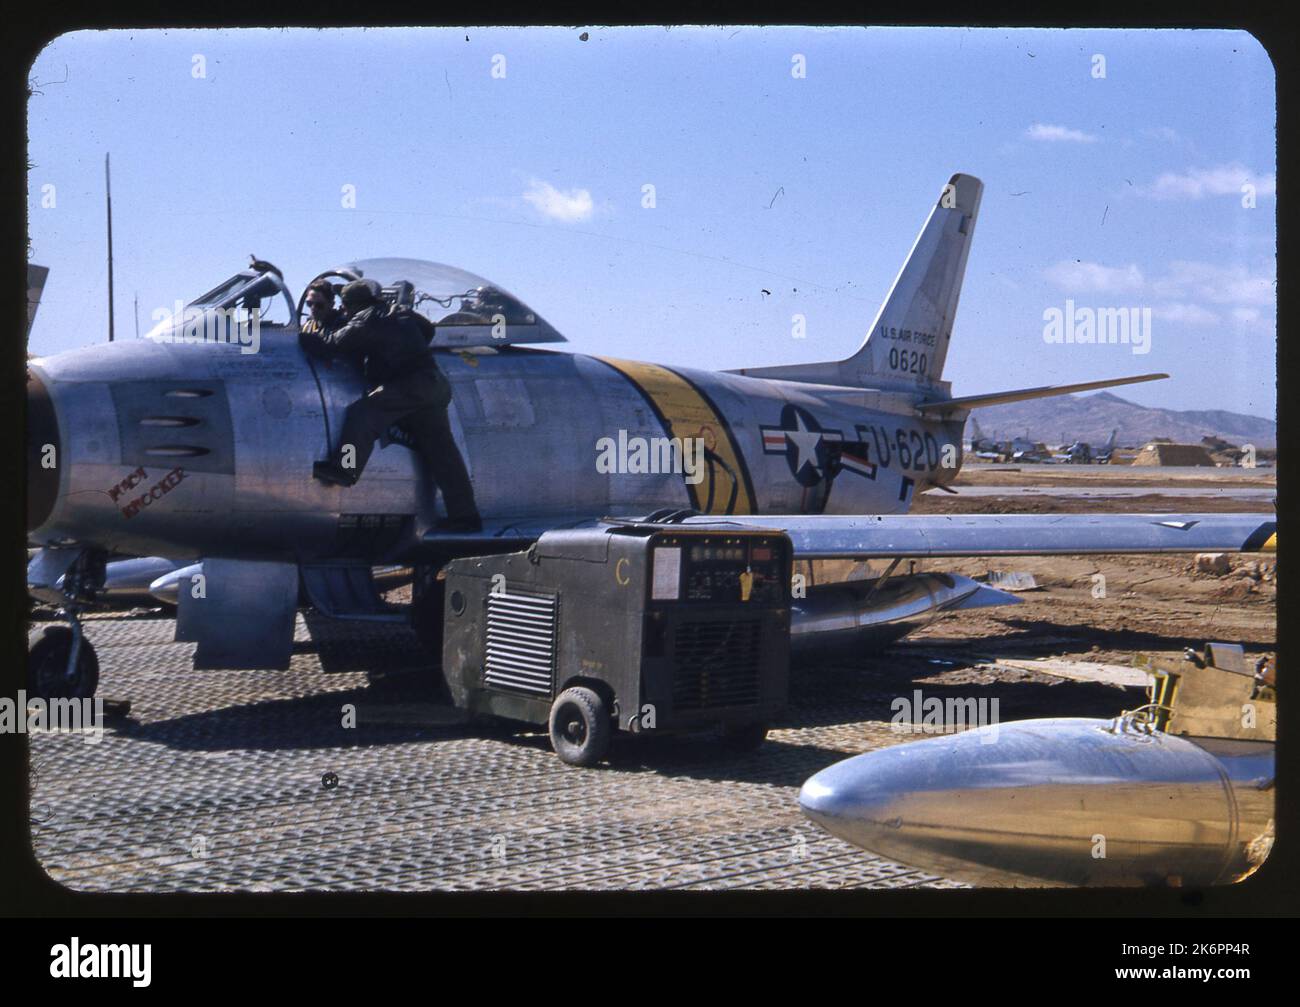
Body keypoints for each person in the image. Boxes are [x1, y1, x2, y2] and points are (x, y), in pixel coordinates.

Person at [300, 279, 481, 532]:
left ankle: (345, 469)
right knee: (444, 456)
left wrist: (304, 337)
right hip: (434, 384)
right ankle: (466, 517)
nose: (344, 311)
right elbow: (427, 330)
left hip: (408, 386)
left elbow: (330, 345)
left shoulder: (365, 318)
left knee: (363, 413)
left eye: (346, 306)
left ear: (354, 304)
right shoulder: (402, 312)